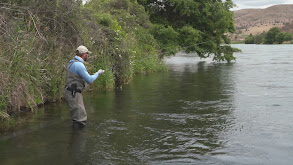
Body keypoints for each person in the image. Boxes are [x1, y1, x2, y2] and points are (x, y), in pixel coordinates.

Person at [64, 45, 104, 129]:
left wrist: (90, 78)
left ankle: (76, 137)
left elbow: (77, 78)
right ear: (84, 54)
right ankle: (78, 139)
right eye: (87, 54)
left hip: (69, 92)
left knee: (77, 117)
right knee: (80, 119)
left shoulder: (71, 63)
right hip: (74, 94)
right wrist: (98, 73)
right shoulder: (79, 65)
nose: (88, 56)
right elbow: (89, 80)